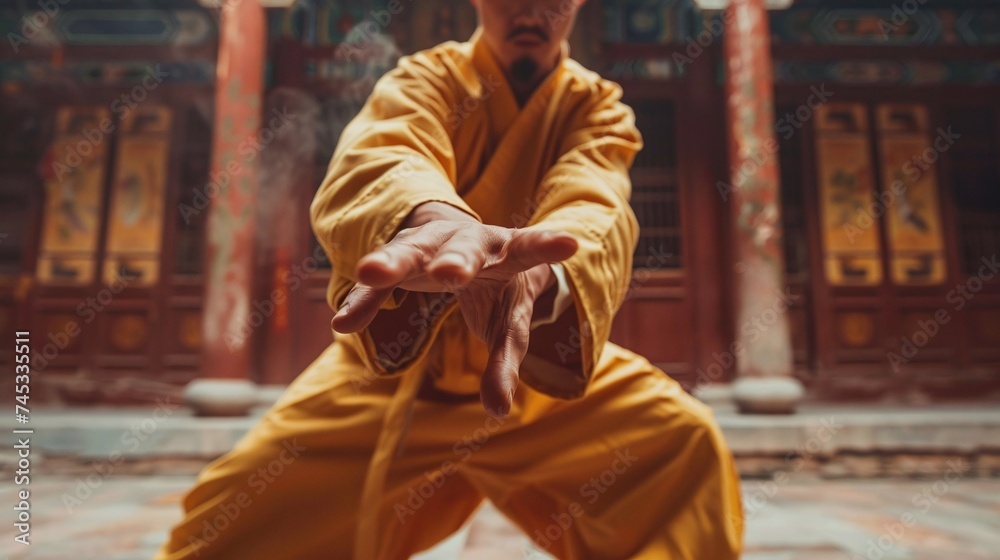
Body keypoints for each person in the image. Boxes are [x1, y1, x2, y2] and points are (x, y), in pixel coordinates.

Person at [156, 1, 743, 558]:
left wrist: (540, 277)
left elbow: (596, 204)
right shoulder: (425, 78)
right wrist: (433, 219)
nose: (532, 9)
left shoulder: (597, 107)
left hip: (531, 366)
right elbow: (384, 154)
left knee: (685, 449)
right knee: (224, 522)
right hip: (398, 373)